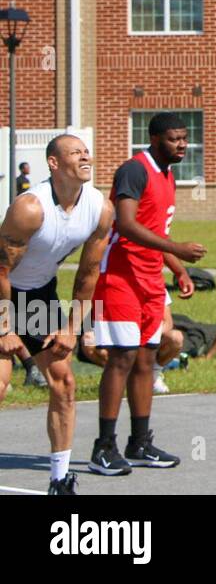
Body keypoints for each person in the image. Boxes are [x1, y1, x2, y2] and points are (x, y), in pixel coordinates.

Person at [90, 113, 206, 476]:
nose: (182, 144)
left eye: (185, 138)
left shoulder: (168, 175)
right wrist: (177, 248)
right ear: (154, 139)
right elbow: (125, 225)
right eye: (174, 139)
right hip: (121, 278)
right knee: (121, 359)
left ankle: (138, 442)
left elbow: (153, 229)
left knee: (146, 361)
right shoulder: (134, 170)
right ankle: (103, 447)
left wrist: (178, 268)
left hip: (150, 281)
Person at [0, 134, 114, 495]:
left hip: (38, 296)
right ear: (54, 163)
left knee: (64, 383)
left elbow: (88, 273)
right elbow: (0, 270)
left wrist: (72, 328)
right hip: (3, 294)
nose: (85, 156)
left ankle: (59, 480)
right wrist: (5, 327)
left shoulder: (99, 208)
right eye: (75, 152)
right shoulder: (30, 208)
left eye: (86, 151)